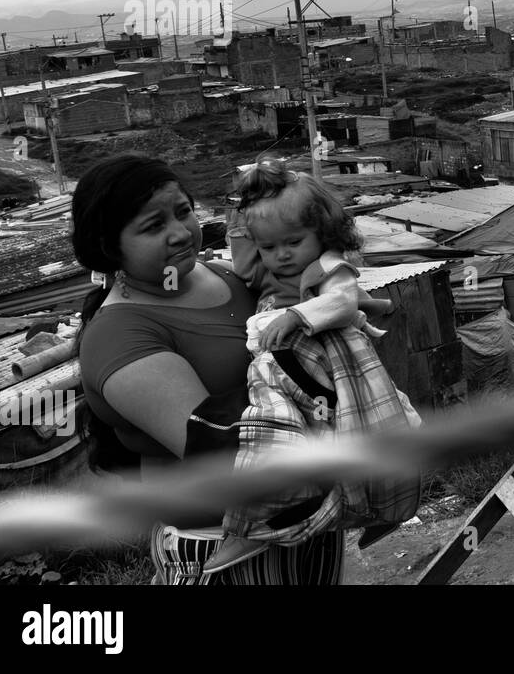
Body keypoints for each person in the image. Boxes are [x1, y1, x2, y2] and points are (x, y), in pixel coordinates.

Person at [73, 154, 344, 584]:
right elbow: (224, 449)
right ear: (110, 247)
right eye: (153, 226)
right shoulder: (119, 337)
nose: (180, 233)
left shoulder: (226, 275)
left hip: (307, 521)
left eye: (183, 212)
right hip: (217, 543)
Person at [204, 161, 421, 573]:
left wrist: (297, 316)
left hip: (315, 353)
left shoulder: (328, 266)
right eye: (269, 246)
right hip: (287, 361)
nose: (281, 256)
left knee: (282, 426)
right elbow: (245, 255)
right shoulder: (268, 268)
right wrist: (246, 207)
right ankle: (356, 507)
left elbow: (341, 301)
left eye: (293, 241)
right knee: (342, 428)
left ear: (323, 232)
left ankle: (255, 517)